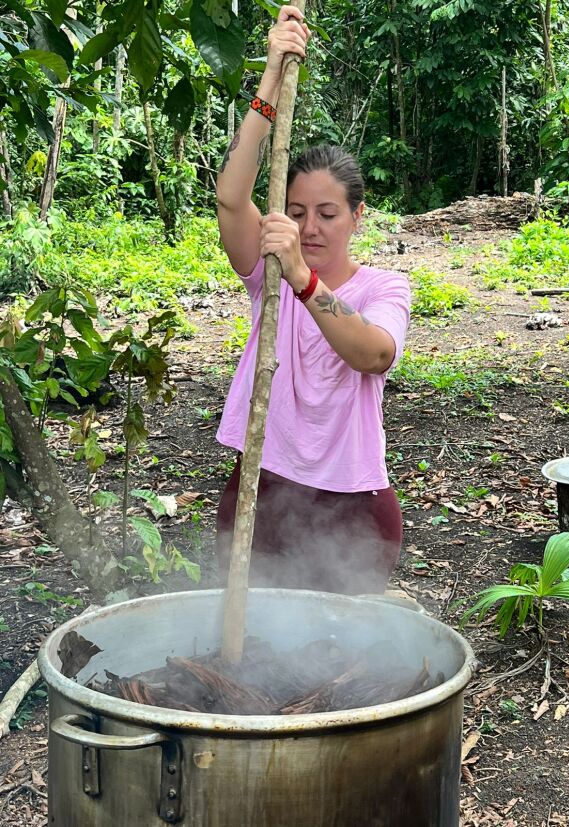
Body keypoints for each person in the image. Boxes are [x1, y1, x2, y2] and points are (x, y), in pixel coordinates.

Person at [214, 5, 411, 595]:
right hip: (262, 486)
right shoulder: (268, 271)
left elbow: (373, 353)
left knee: (343, 645)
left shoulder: (383, 287)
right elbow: (231, 199)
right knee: (250, 636)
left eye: (328, 213)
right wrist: (270, 78)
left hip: (353, 505)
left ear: (357, 215)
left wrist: (303, 278)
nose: (310, 228)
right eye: (297, 213)